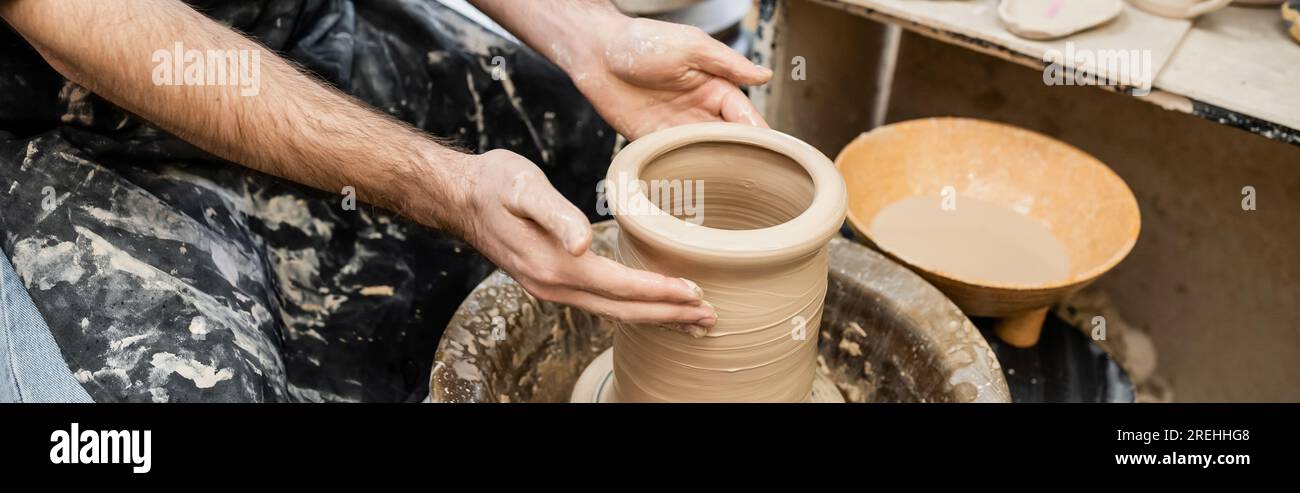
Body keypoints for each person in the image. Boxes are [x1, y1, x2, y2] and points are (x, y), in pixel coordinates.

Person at [0, 0, 772, 402]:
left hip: (297, 30)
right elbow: (94, 28)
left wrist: (590, 37)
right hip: (93, 122)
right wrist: (443, 185)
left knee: (604, 154)